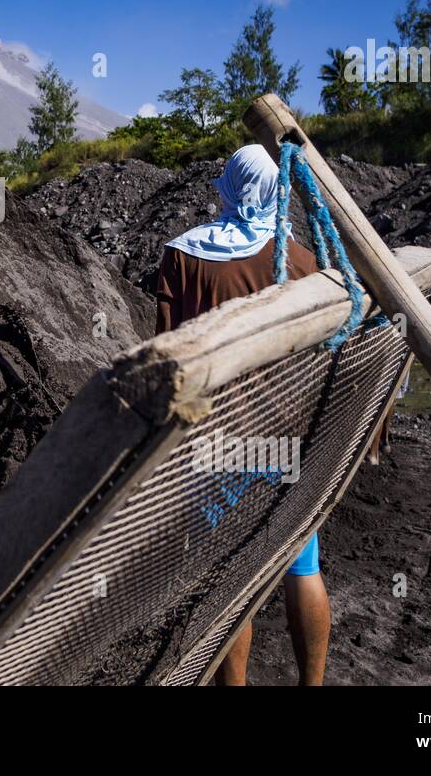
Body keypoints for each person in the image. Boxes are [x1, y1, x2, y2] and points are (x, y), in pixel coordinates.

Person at [155, 144, 331, 686]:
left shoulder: (185, 256)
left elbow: (168, 353)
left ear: (229, 187)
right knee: (302, 565)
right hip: (287, 436)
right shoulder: (302, 260)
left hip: (215, 441)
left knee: (224, 577)